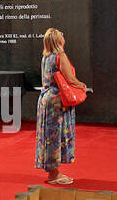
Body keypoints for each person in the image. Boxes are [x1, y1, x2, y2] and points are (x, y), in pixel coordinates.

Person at [34, 28, 86, 186]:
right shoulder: (60, 56)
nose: (64, 37)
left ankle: (53, 171)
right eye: (62, 35)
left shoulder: (46, 57)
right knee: (56, 136)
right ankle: (54, 174)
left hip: (45, 99)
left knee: (48, 136)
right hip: (57, 100)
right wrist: (81, 85)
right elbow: (70, 79)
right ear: (58, 40)